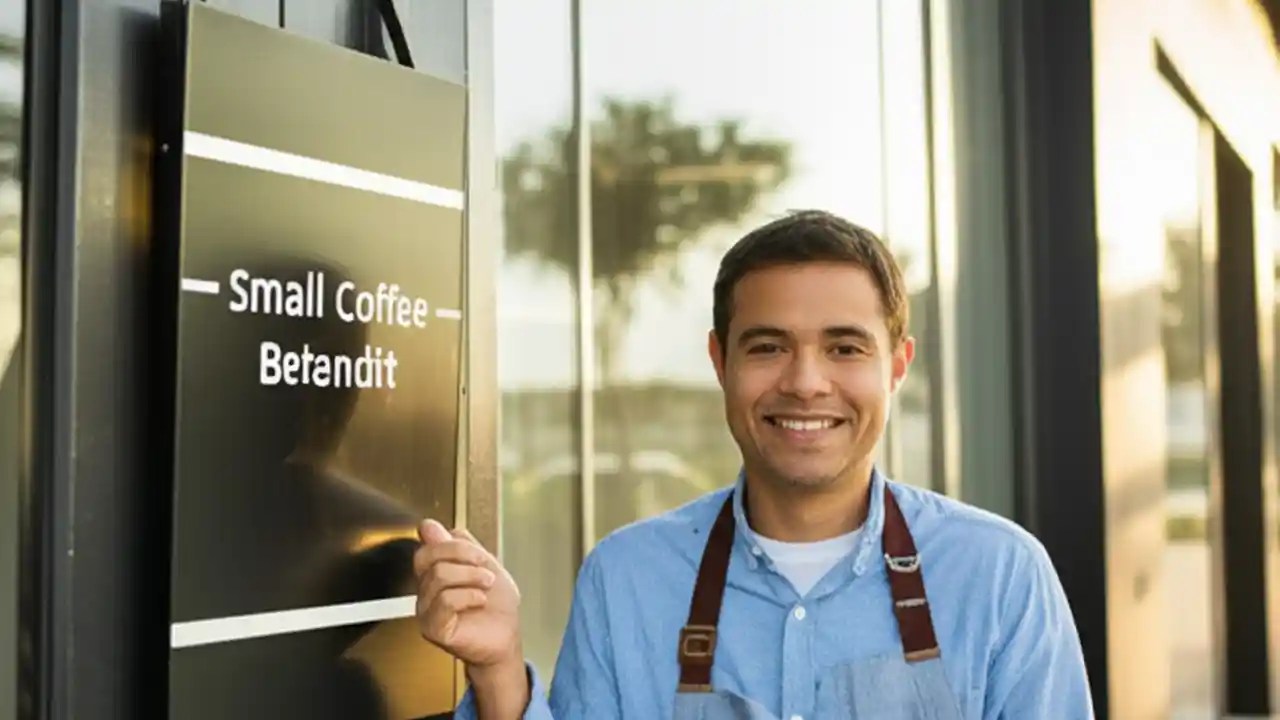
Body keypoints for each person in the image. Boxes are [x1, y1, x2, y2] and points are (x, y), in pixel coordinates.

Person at [413, 210, 1095, 719]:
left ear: (897, 366)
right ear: (721, 363)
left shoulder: (1000, 575)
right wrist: (499, 670)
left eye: (845, 349)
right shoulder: (625, 582)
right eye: (768, 346)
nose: (805, 382)